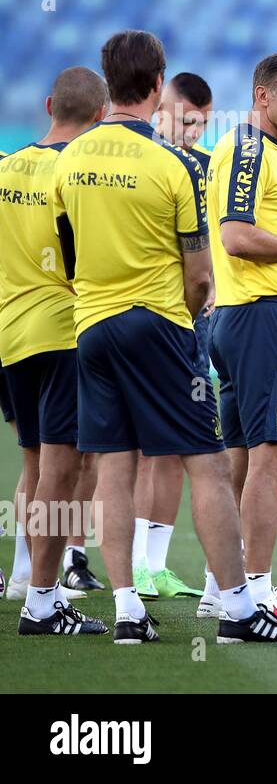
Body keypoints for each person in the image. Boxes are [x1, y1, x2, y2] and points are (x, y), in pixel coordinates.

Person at [51, 29, 277, 644]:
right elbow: (200, 276)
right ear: (158, 84)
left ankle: (127, 608)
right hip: (159, 324)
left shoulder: (69, 159)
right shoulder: (172, 164)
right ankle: (237, 608)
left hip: (92, 327)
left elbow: (68, 256)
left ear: (108, 84)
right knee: (207, 463)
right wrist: (182, 319)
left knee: (115, 463)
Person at [205, 53, 277, 616]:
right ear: (261, 95)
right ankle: (255, 591)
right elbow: (235, 236)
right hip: (259, 318)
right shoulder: (250, 147)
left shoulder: (251, 149)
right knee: (271, 456)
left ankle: (220, 588)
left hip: (235, 316)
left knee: (241, 458)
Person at [1, 67, 108, 635]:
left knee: (34, 462)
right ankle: (44, 598)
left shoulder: (6, 167)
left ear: (49, 105)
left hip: (12, 333)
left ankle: (26, 574)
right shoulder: (80, 171)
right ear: (100, 116)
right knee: (65, 469)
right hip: (64, 330)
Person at [129, 71, 214, 602]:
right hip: (148, 314)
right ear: (160, 110)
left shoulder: (206, 167)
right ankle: (131, 563)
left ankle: (155, 566)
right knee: (137, 447)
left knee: (178, 443)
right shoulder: (141, 162)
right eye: (185, 121)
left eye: (201, 124)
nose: (192, 133)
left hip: (193, 320)